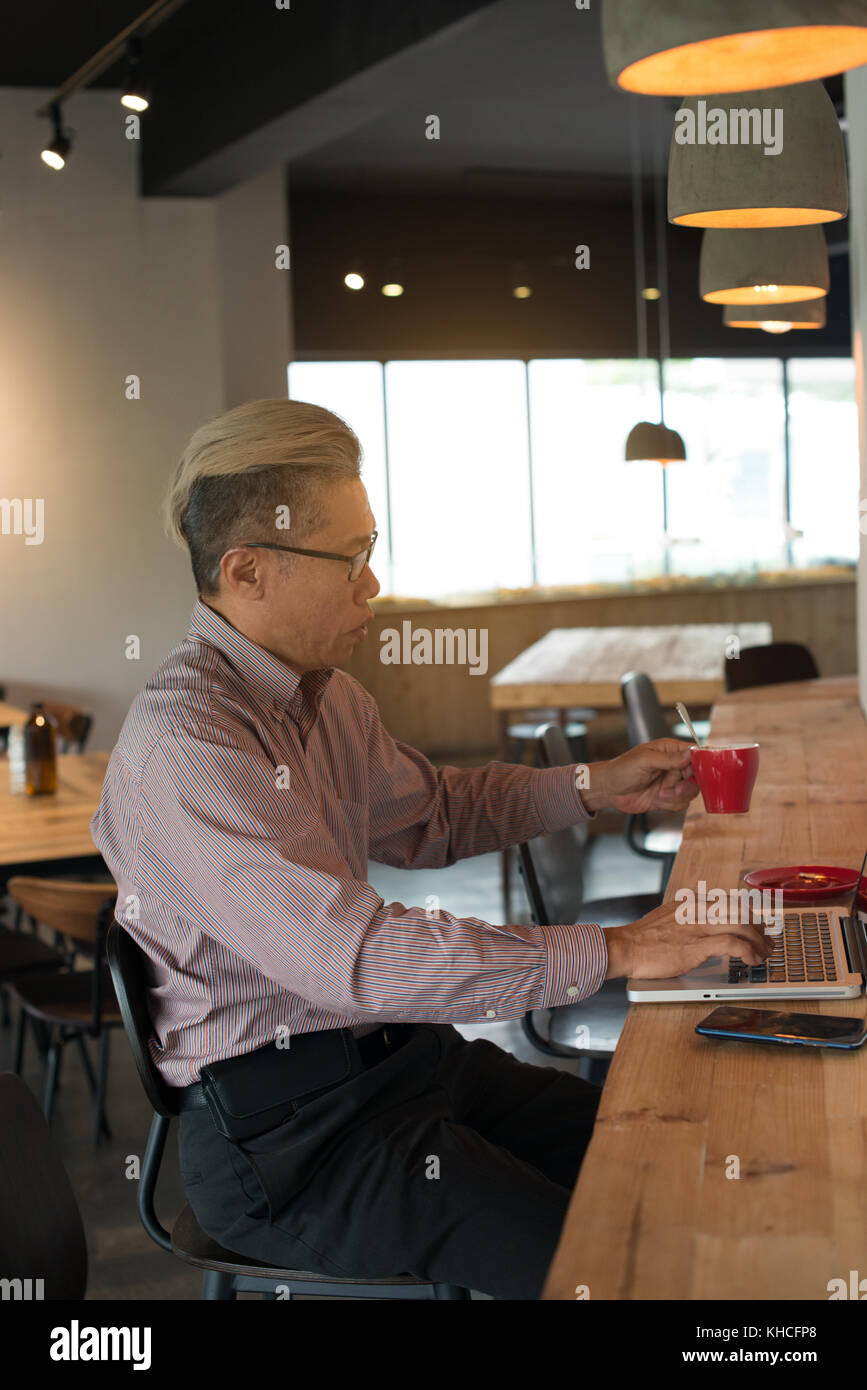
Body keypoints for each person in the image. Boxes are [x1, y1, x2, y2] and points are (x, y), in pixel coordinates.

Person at [91, 398, 773, 1300]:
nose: (372, 585)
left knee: (678, 1148)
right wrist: (617, 949)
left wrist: (591, 785)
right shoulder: (189, 748)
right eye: (351, 559)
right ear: (246, 570)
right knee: (610, 1266)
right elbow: (358, 957)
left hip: (405, 1067)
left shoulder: (325, 697)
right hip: (293, 1141)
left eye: (371, 549)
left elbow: (435, 814)